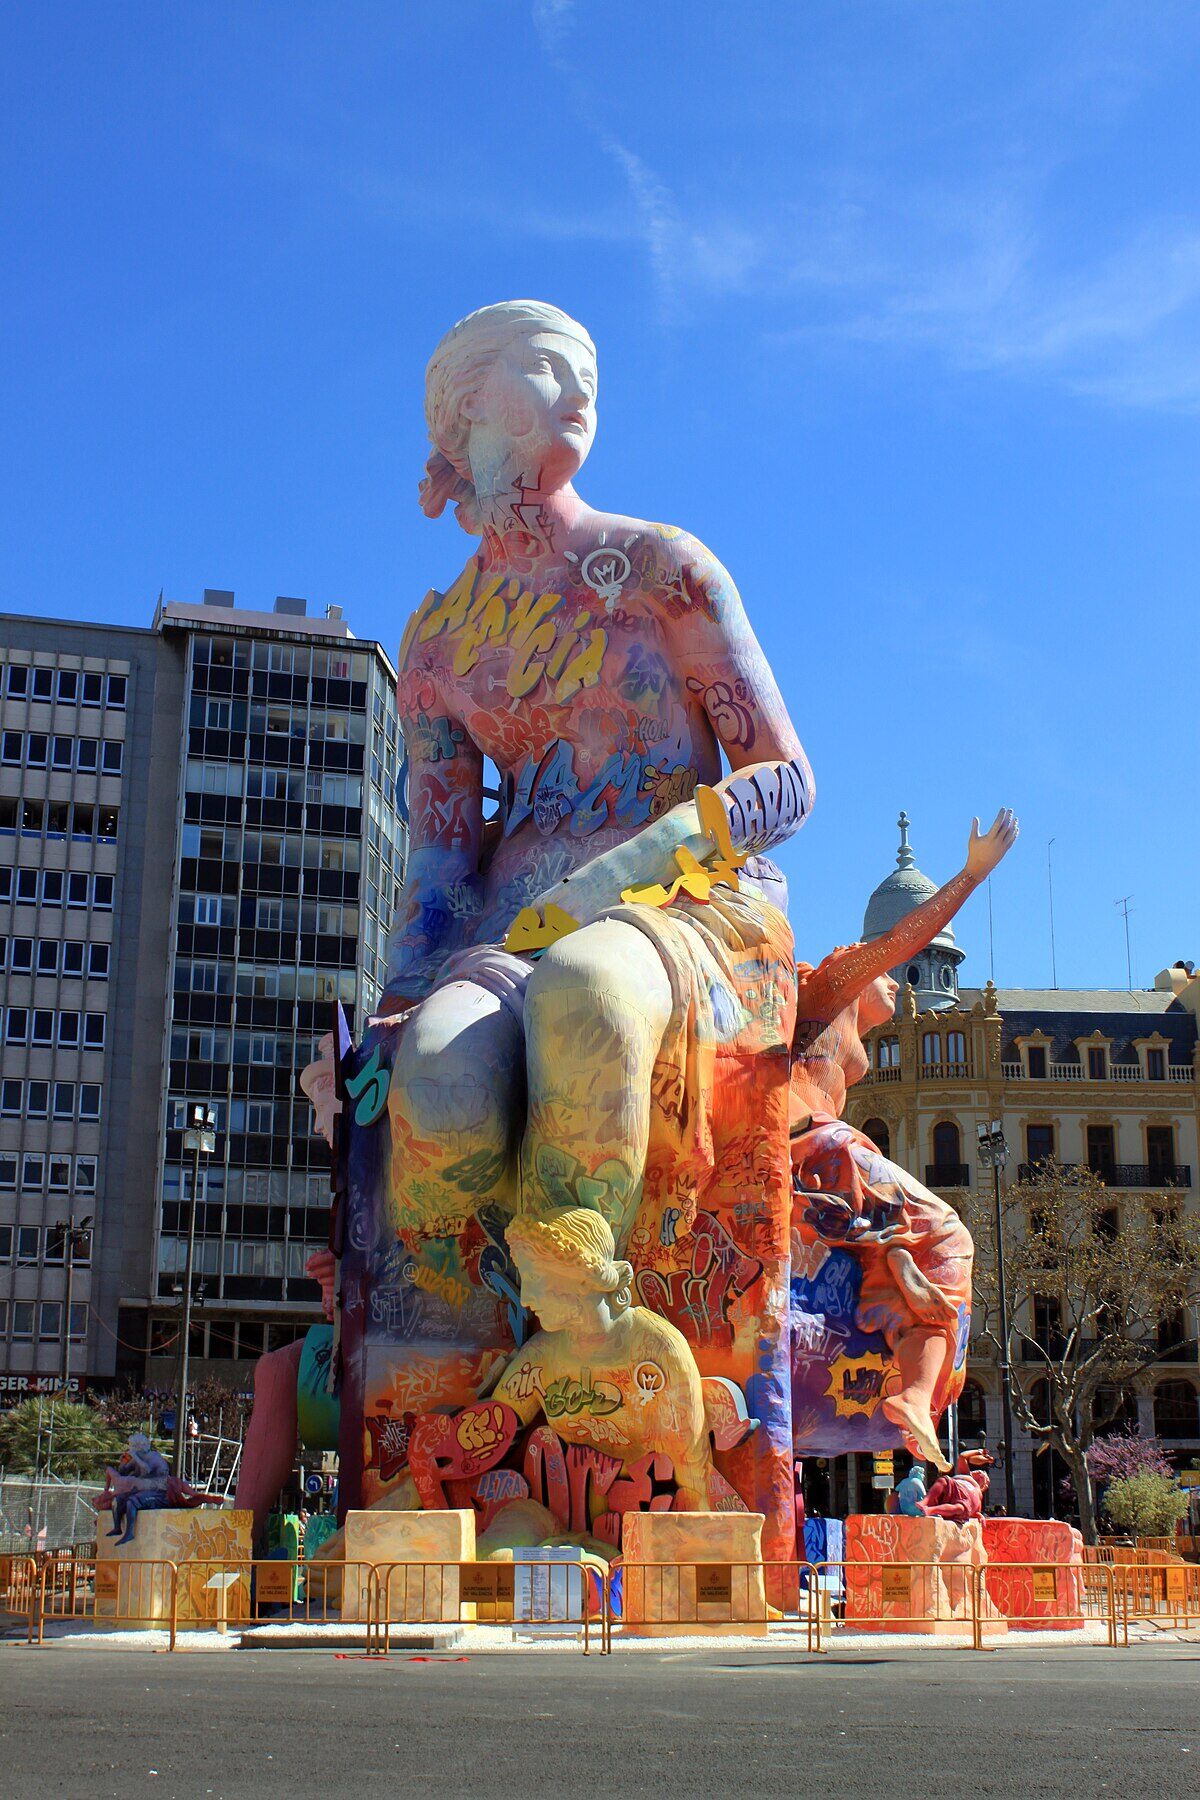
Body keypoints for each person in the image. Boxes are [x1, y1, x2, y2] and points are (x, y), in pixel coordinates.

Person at [347, 300, 812, 1455]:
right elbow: (443, 861)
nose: (580, 389)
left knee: (590, 998)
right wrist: (396, 1007)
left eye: (588, 372)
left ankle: (595, 1352)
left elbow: (788, 783)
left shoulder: (662, 569)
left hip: (688, 908)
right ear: (465, 411)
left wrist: (657, 853)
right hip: (514, 928)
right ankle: (464, 1391)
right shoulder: (441, 643)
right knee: (442, 1075)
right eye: (547, 368)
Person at [790, 810, 1018, 1469]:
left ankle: (903, 1311)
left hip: (803, 1162)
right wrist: (972, 873)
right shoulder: (826, 990)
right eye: (890, 968)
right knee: (948, 1233)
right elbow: (900, 941)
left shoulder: (822, 1018)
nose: (897, 976)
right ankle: (918, 1392)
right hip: (817, 1146)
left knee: (889, 1255)